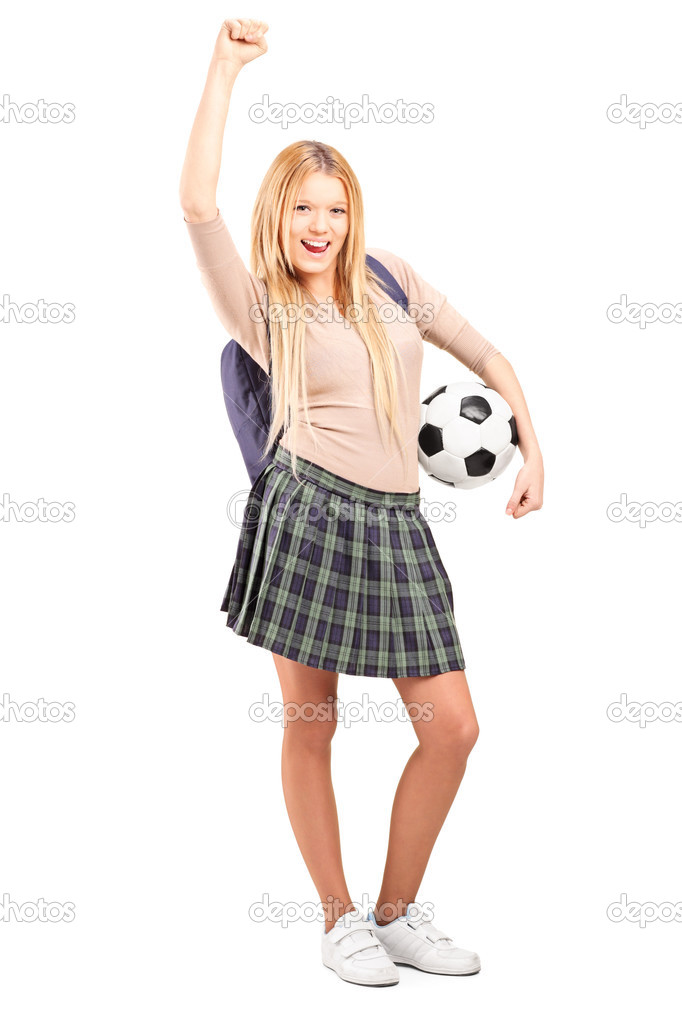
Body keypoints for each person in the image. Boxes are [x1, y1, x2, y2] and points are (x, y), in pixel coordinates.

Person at [179, 17, 544, 988]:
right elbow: (194, 206)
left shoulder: (392, 280)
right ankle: (338, 920)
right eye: (302, 207)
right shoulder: (261, 305)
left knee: (453, 727)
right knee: (312, 725)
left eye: (333, 208)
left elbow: (491, 355)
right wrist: (222, 72)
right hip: (306, 518)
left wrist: (533, 447)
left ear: (353, 216)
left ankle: (394, 913)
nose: (318, 225)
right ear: (280, 215)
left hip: (398, 527)